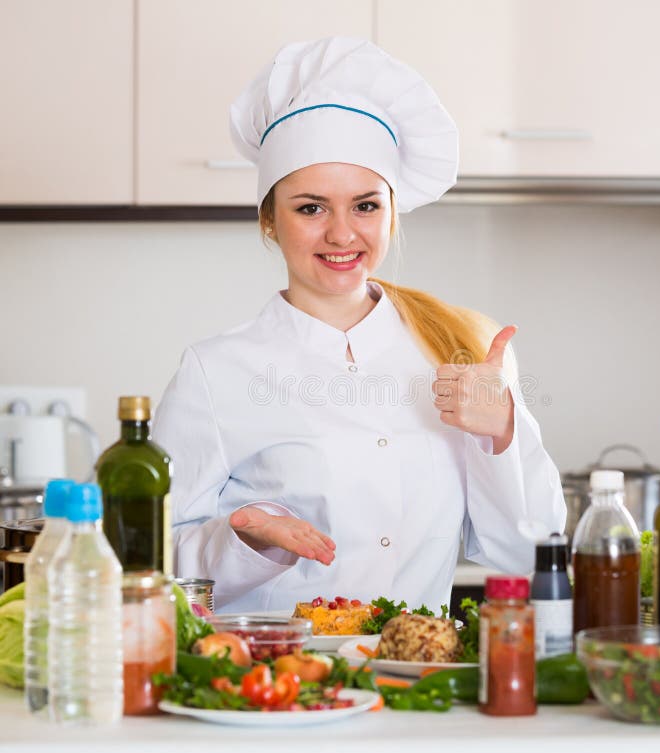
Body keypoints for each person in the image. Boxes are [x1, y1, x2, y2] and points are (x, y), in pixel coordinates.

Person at [153, 37, 566, 613]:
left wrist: (502, 430)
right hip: (275, 684)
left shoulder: (461, 351)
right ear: (270, 220)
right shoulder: (215, 371)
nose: (343, 235)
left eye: (366, 205)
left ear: (393, 212)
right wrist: (244, 542)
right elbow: (153, 564)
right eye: (311, 207)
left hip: (418, 675)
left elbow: (531, 553)